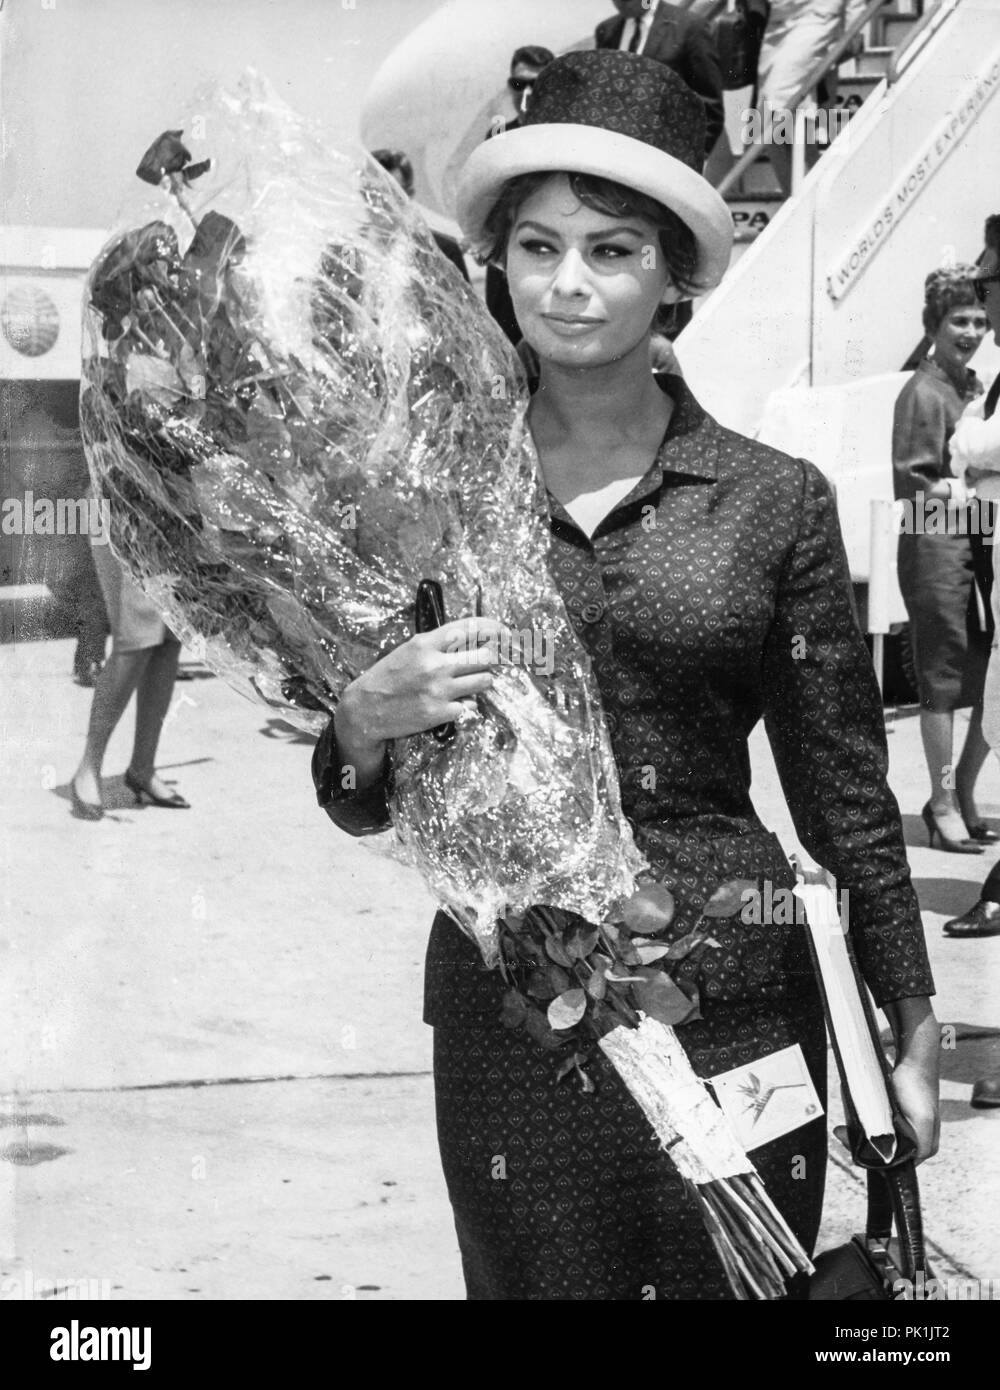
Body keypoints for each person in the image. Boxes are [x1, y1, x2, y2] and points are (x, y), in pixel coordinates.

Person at [312, 52, 939, 1299]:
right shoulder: (432, 494)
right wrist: (362, 717)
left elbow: (845, 796)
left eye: (612, 250)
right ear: (496, 263)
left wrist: (908, 1022)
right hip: (512, 1010)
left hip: (734, 994)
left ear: (675, 279)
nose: (568, 284)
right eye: (538, 245)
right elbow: (362, 795)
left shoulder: (773, 502)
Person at [893, 267, 995, 856]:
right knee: (942, 677)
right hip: (935, 547)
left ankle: (964, 793)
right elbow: (914, 484)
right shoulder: (922, 393)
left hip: (981, 544)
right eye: (959, 319)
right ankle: (943, 801)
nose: (971, 331)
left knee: (987, 678)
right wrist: (968, 488)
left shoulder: (977, 388)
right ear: (934, 324)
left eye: (980, 320)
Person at [70, 527, 189, 819]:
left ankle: (142, 768)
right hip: (119, 509)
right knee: (135, 638)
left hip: (171, 512)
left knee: (169, 640)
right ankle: (88, 767)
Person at [484, 46, 555, 345]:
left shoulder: (571, 135)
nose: (525, 92)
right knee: (506, 345)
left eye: (535, 84)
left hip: (553, 257)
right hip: (506, 261)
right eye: (518, 84)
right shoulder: (498, 136)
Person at [595, 0, 725, 159]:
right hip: (616, 152)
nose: (620, 4)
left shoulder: (689, 27)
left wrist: (694, 158)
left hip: (668, 155)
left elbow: (709, 102)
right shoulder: (607, 31)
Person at [371, 149, 470, 283]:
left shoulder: (441, 251)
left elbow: (463, 302)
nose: (380, 202)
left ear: (408, 195)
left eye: (390, 193)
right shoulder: (351, 249)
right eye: (373, 193)